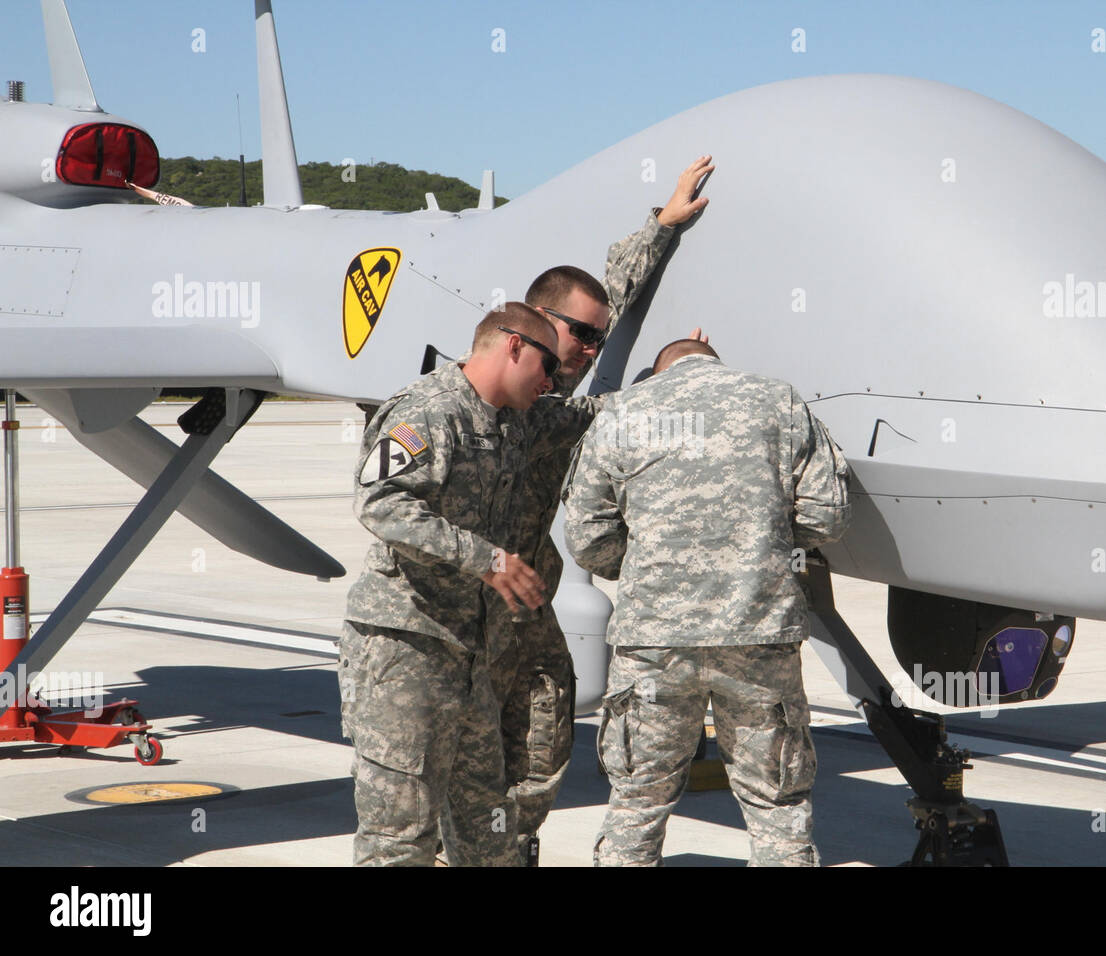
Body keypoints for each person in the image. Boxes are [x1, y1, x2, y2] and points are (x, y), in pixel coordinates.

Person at [485, 156, 715, 865]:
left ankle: (511, 850)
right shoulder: (491, 399)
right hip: (465, 612)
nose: (590, 351)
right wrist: (680, 382)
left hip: (526, 607)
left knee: (545, 737)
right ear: (530, 329)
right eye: (579, 338)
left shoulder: (554, 393)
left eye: (596, 339)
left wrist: (663, 225)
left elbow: (605, 295)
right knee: (459, 756)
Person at [562, 339, 852, 866]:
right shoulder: (779, 401)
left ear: (661, 368)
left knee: (638, 799)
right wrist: (761, 553)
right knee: (777, 803)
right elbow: (826, 515)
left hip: (653, 641)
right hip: (758, 636)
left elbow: (587, 537)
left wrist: (649, 571)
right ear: (714, 359)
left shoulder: (621, 411)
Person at [338, 303, 561, 866]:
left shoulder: (509, 421)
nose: (551, 381)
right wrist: (486, 559)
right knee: (399, 837)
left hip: (469, 660)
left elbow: (585, 410)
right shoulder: (428, 411)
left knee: (488, 830)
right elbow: (380, 503)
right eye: (548, 365)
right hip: (406, 652)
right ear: (514, 345)